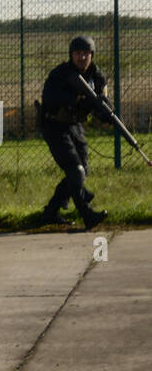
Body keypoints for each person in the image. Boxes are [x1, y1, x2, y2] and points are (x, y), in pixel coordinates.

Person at [36, 35, 116, 230]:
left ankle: (50, 212)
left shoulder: (97, 76)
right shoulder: (60, 74)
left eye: (86, 54)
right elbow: (50, 97)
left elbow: (103, 101)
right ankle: (87, 215)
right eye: (78, 54)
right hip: (54, 125)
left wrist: (106, 111)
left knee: (82, 171)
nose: (82, 58)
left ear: (92, 55)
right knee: (75, 170)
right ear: (71, 55)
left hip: (75, 125)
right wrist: (79, 99)